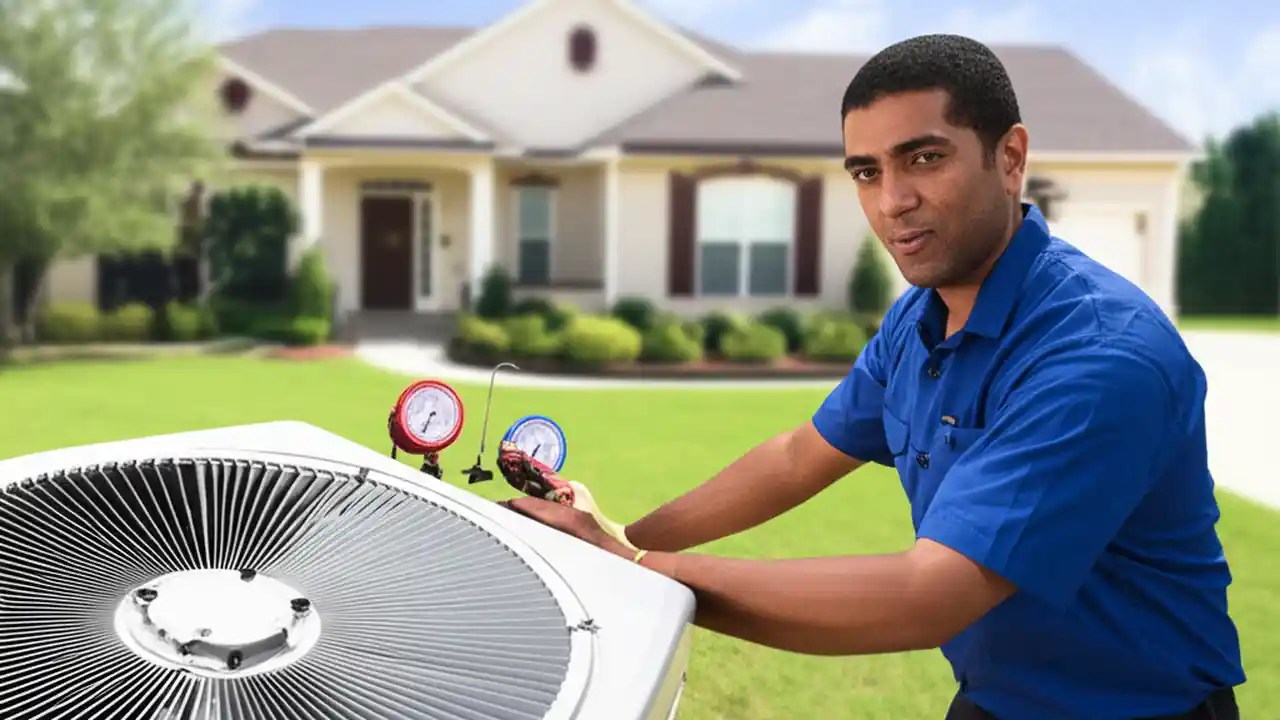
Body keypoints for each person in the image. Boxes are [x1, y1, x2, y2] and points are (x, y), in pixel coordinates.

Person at [498, 33, 1245, 720]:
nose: (892, 201)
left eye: (925, 158)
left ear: (1010, 157)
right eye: (867, 172)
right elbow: (798, 457)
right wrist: (618, 536)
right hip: (999, 698)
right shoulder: (922, 316)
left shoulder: (1099, 354)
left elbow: (930, 596)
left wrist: (635, 568)